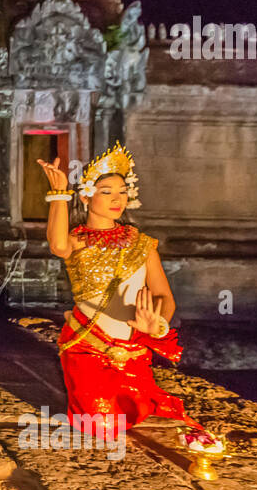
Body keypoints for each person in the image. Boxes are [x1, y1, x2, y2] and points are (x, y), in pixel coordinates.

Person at [38, 142, 221, 452]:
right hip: (88, 348)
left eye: (122, 191)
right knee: (102, 427)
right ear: (86, 196)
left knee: (140, 412)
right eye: (107, 191)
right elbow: (57, 245)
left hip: (132, 350)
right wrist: (58, 193)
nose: (117, 199)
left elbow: (164, 296)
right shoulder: (78, 240)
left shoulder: (142, 243)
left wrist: (157, 327)